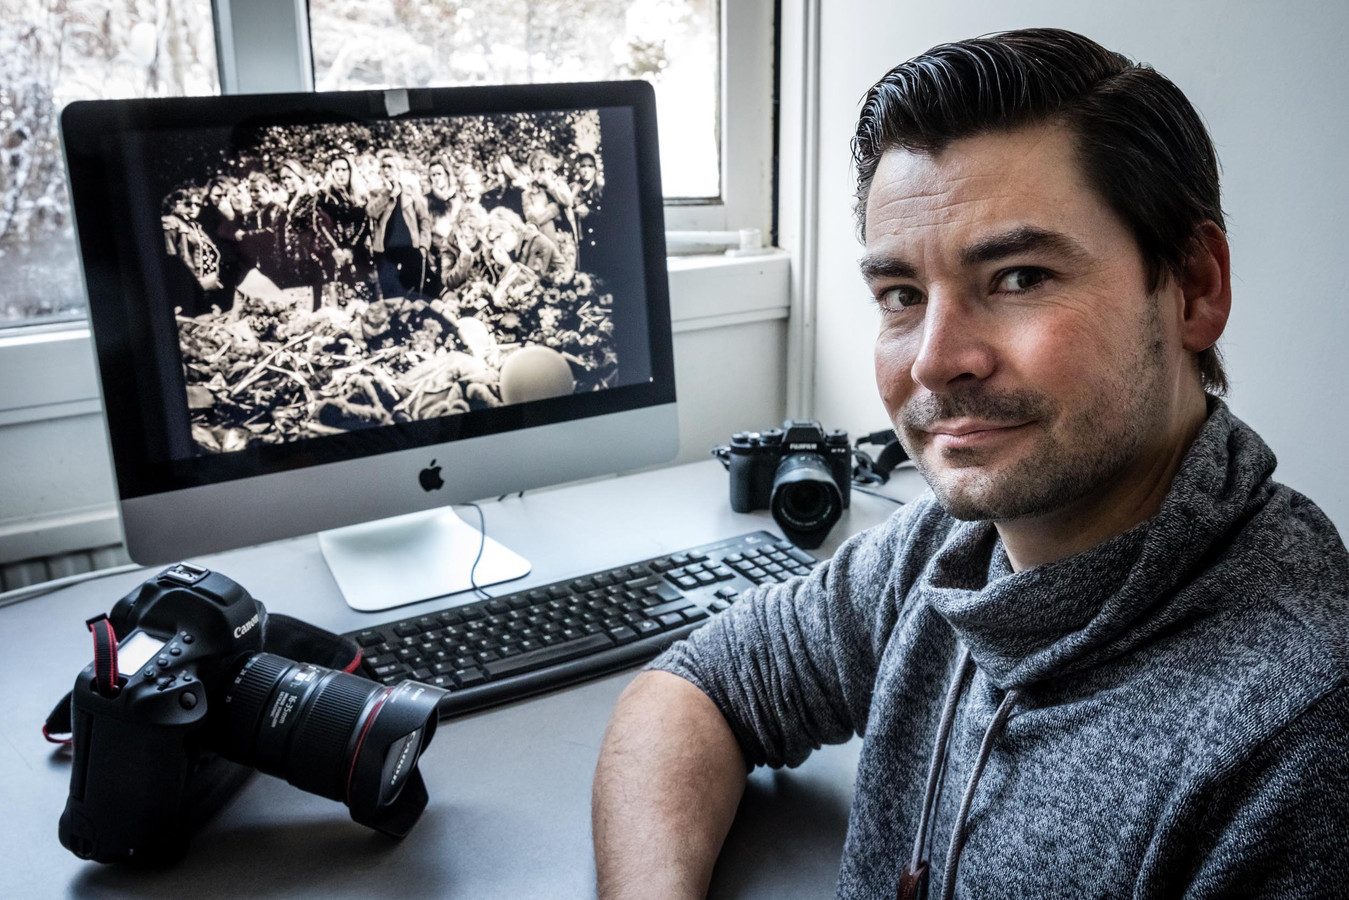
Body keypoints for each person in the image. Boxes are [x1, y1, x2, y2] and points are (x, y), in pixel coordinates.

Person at [591, 28, 1349, 900]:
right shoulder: (947, 548)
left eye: (1019, 278)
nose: (935, 359)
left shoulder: (1298, 733)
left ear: (1193, 288)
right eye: (902, 296)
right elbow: (697, 687)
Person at [367, 149, 433, 300]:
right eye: (383, 166)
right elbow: (371, 212)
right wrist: (387, 194)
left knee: (413, 295)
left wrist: (423, 245)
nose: (386, 170)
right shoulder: (376, 193)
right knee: (390, 296)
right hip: (385, 252)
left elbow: (424, 219)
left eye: (390, 166)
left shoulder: (411, 191)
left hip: (411, 249)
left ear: (398, 169)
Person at [316, 153, 375, 305]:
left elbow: (364, 223)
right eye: (337, 170)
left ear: (350, 171)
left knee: (364, 297)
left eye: (344, 169)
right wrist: (335, 249)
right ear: (332, 172)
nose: (341, 174)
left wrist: (351, 248)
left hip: (358, 252)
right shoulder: (324, 196)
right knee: (339, 299)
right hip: (333, 254)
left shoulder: (360, 195)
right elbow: (320, 223)